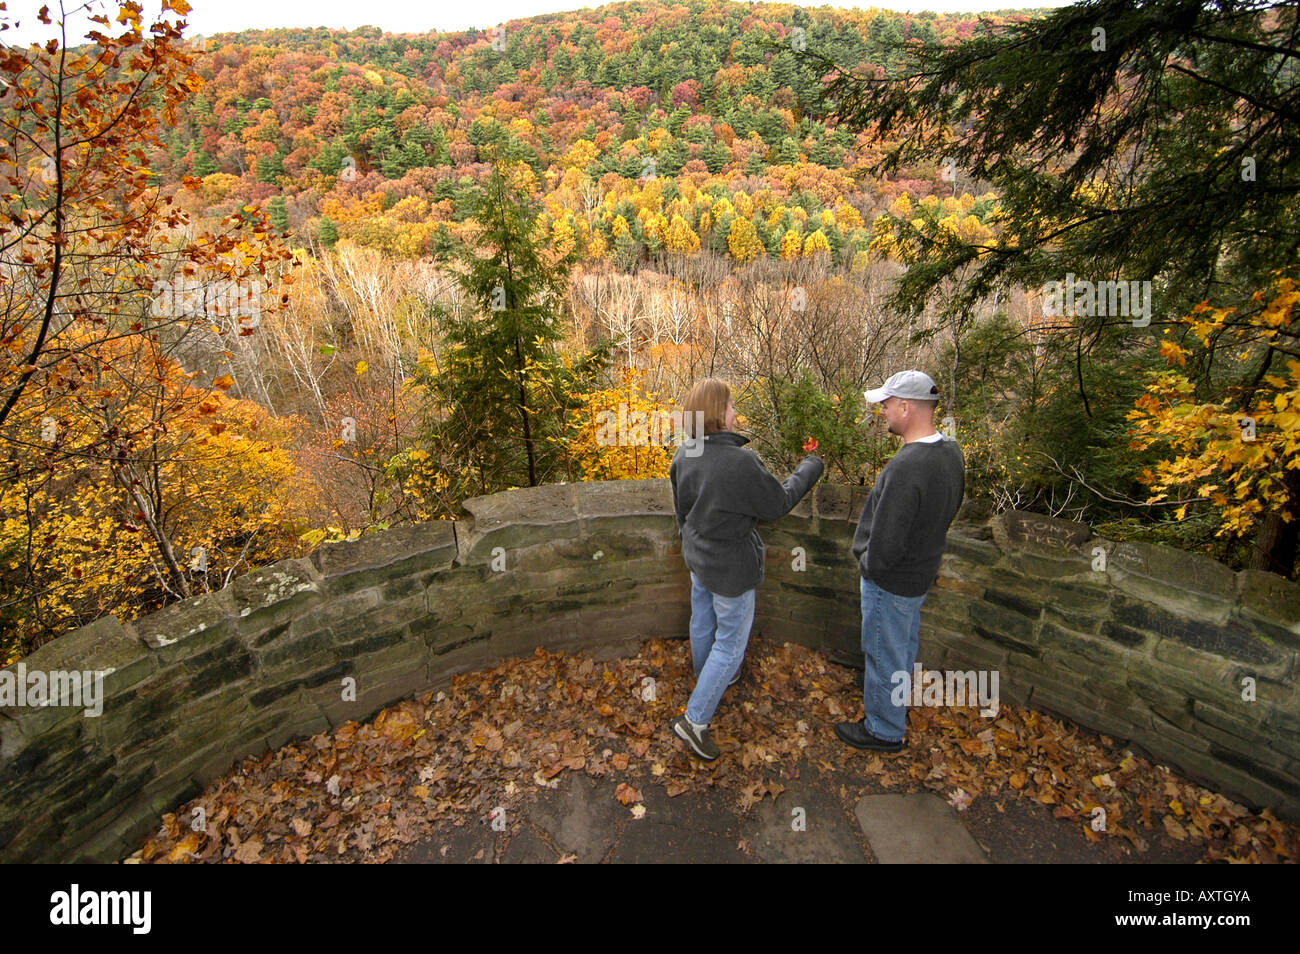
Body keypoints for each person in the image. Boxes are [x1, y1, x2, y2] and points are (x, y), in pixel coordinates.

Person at [668, 378, 823, 760]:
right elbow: (777, 503)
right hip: (731, 570)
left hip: (698, 559)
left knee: (702, 621)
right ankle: (695, 721)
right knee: (731, 644)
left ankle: (707, 679)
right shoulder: (740, 462)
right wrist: (811, 467)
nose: (736, 412)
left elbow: (682, 513)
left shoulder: (684, 454)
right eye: (731, 406)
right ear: (719, 414)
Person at [837, 370, 965, 753]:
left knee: (883, 652)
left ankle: (884, 730)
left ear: (907, 407)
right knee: (901, 649)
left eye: (888, 405)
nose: (884, 412)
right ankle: (893, 710)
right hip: (918, 575)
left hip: (890, 582)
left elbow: (888, 542)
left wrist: (868, 565)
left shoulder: (907, 467)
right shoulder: (950, 453)